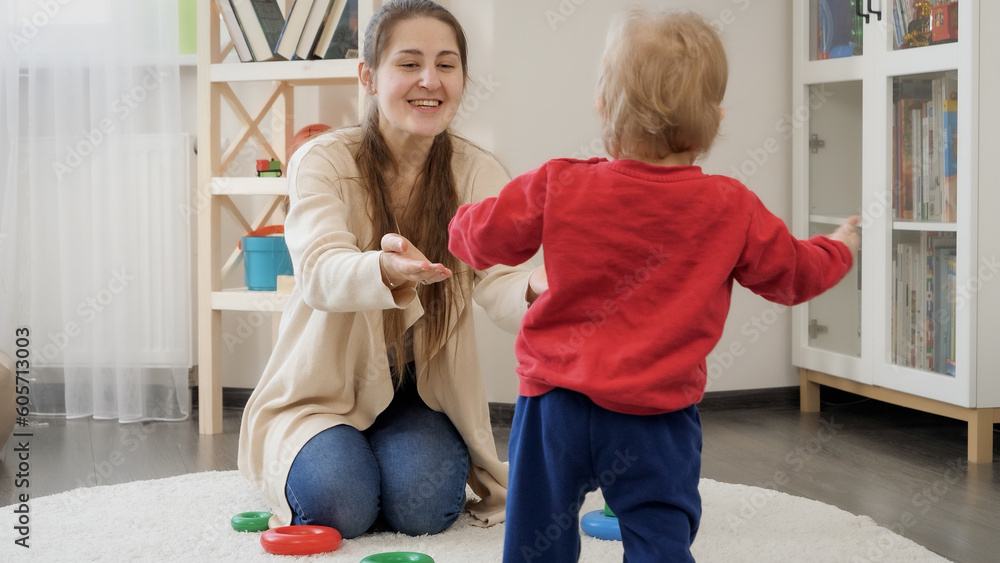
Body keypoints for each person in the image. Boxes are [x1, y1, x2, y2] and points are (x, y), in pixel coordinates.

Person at [448, 10, 860, 563]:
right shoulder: (729, 205)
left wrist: (460, 221)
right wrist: (841, 248)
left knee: (534, 537)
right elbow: (795, 276)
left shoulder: (560, 182)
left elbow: (480, 239)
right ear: (713, 120)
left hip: (556, 407)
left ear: (603, 106)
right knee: (659, 538)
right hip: (655, 418)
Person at [238, 0, 545, 539]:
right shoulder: (325, 161)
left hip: (418, 396)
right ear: (369, 77)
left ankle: (374, 462)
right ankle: (337, 461)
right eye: (409, 63)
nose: (430, 80)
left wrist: (541, 286)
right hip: (323, 395)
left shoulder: (478, 171)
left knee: (424, 510)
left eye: (447, 65)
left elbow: (499, 280)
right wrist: (383, 269)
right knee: (340, 504)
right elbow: (318, 268)